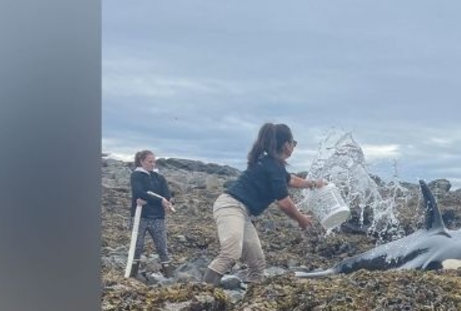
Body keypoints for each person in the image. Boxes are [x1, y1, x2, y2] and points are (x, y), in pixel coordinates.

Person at [202, 123, 327, 287]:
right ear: (286, 145)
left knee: (257, 263)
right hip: (230, 206)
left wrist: (313, 184)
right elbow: (284, 203)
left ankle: (248, 299)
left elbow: (292, 180)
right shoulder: (273, 166)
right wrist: (301, 219)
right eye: (294, 143)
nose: (294, 146)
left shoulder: (273, 165)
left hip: (243, 212)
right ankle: (203, 292)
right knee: (231, 253)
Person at [130, 149, 174, 275]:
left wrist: (163, 200)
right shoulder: (136, 175)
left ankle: (168, 275)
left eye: (154, 161)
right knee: (137, 246)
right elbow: (139, 192)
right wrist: (159, 200)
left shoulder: (159, 177)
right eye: (150, 161)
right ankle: (132, 275)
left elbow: (166, 194)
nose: (153, 164)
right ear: (141, 161)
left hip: (158, 217)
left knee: (162, 246)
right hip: (140, 216)